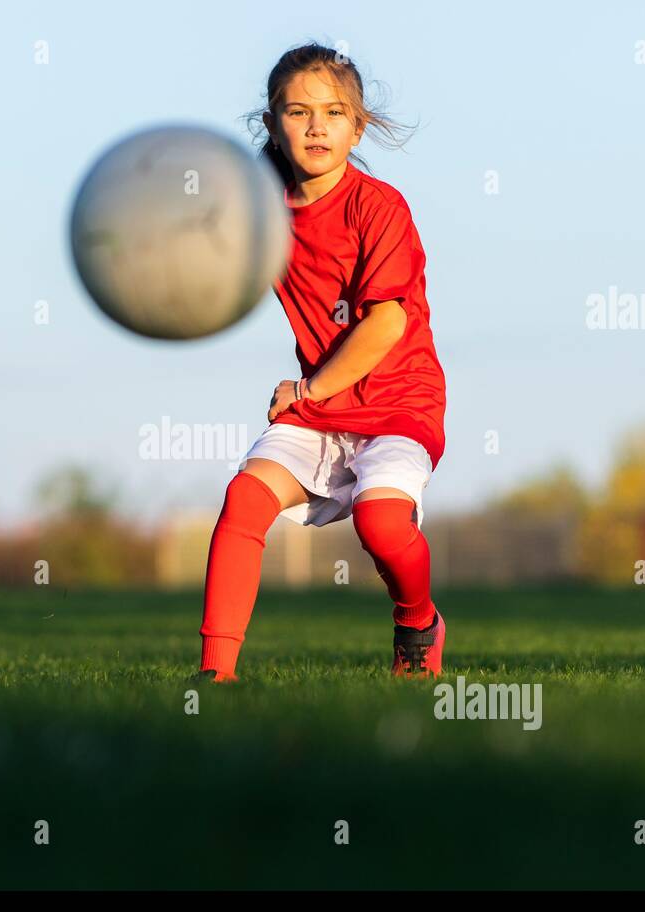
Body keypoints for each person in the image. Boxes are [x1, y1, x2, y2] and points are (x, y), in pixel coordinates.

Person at [194, 42, 447, 683]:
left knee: (383, 524)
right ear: (271, 122)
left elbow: (384, 322)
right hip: (321, 407)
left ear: (357, 127)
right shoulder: (261, 211)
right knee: (245, 499)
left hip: (396, 401)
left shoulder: (378, 207)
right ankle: (215, 676)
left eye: (334, 113)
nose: (316, 126)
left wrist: (308, 390)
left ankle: (418, 620)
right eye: (298, 111)